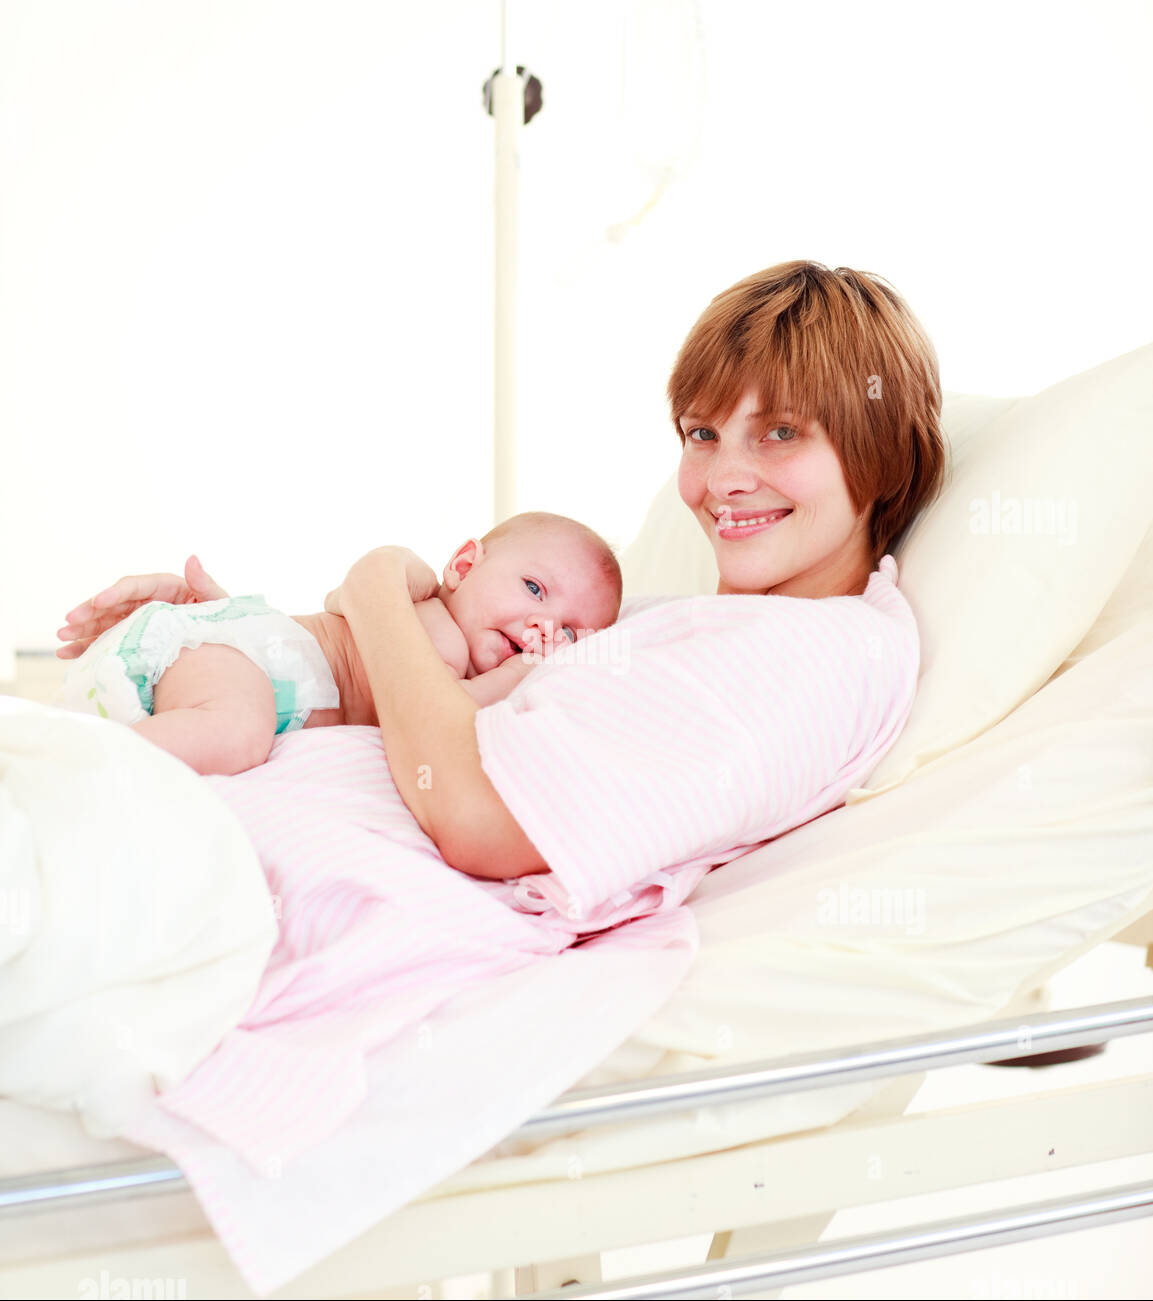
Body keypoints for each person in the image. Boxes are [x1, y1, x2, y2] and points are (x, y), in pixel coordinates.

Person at [55, 259, 945, 894]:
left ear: (879, 456)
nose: (721, 479)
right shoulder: (686, 621)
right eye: (701, 433)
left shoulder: (816, 653)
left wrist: (369, 594)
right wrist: (242, 633)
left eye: (780, 432)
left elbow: (478, 819)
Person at [53, 511, 621, 776]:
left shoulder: (424, 625)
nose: (539, 628)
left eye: (567, 632)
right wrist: (520, 673)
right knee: (236, 731)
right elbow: (449, 714)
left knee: (232, 725)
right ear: (465, 563)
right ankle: (70, 765)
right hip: (237, 656)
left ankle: (81, 749)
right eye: (533, 588)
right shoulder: (437, 633)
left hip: (244, 656)